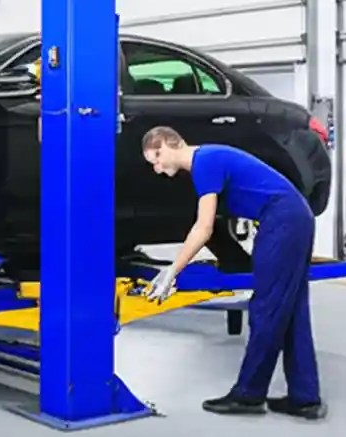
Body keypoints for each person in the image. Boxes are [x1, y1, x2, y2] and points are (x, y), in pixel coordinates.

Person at [140, 125, 327, 420]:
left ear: (166, 145)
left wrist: (172, 271)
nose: (158, 169)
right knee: (291, 310)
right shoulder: (210, 158)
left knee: (266, 308)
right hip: (293, 217)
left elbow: (204, 227)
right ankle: (305, 398)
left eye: (156, 159)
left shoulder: (204, 163)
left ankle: (249, 395)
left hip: (283, 221)